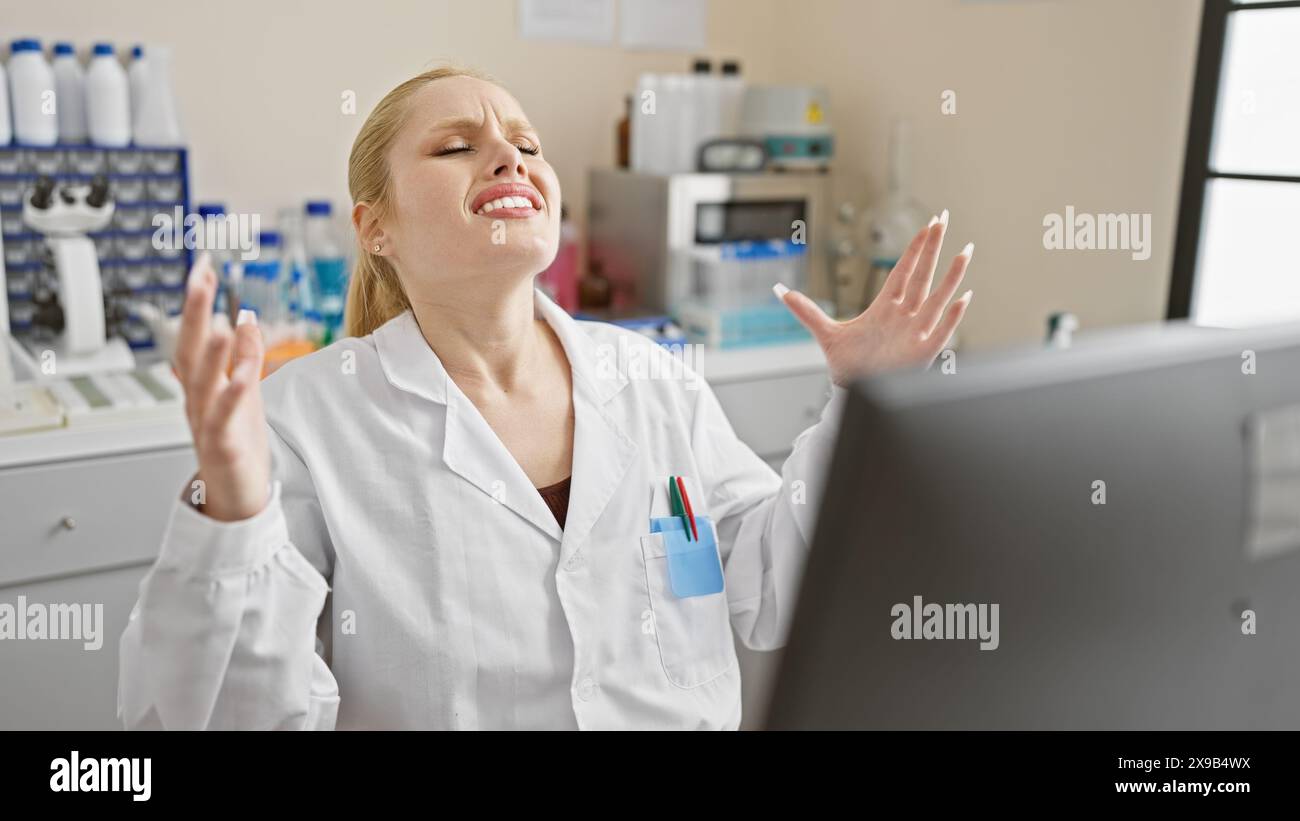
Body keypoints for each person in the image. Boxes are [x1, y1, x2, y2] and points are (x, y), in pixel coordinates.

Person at [117, 66, 973, 730]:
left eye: (525, 142)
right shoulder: (306, 420)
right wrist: (230, 502)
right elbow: (220, 716)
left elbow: (766, 581)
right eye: (456, 146)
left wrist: (858, 402)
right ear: (375, 228)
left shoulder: (652, 381)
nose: (509, 155)